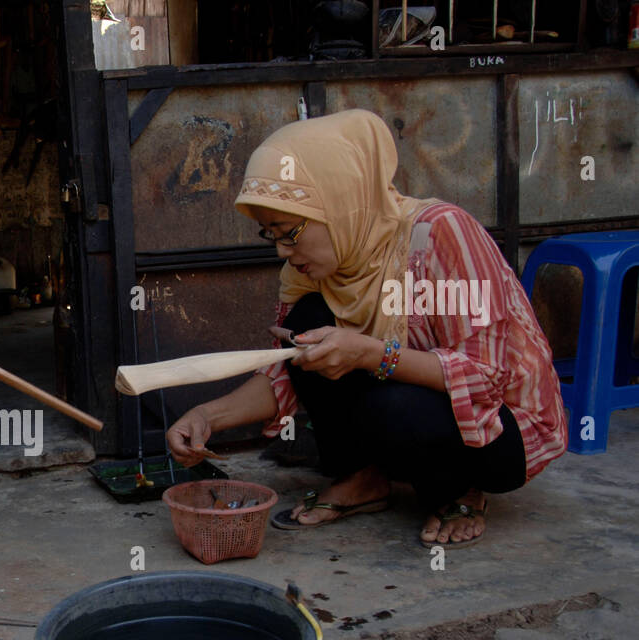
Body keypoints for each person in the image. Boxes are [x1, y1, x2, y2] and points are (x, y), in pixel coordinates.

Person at [166, 109, 566, 549]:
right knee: (305, 325)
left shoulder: (439, 236)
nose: (282, 250)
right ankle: (365, 479)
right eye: (270, 234)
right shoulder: (313, 270)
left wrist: (370, 354)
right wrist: (208, 417)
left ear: (340, 202)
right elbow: (288, 369)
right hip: (403, 414)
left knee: (397, 405)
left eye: (289, 232)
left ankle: (459, 490)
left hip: (501, 433)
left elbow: (487, 379)